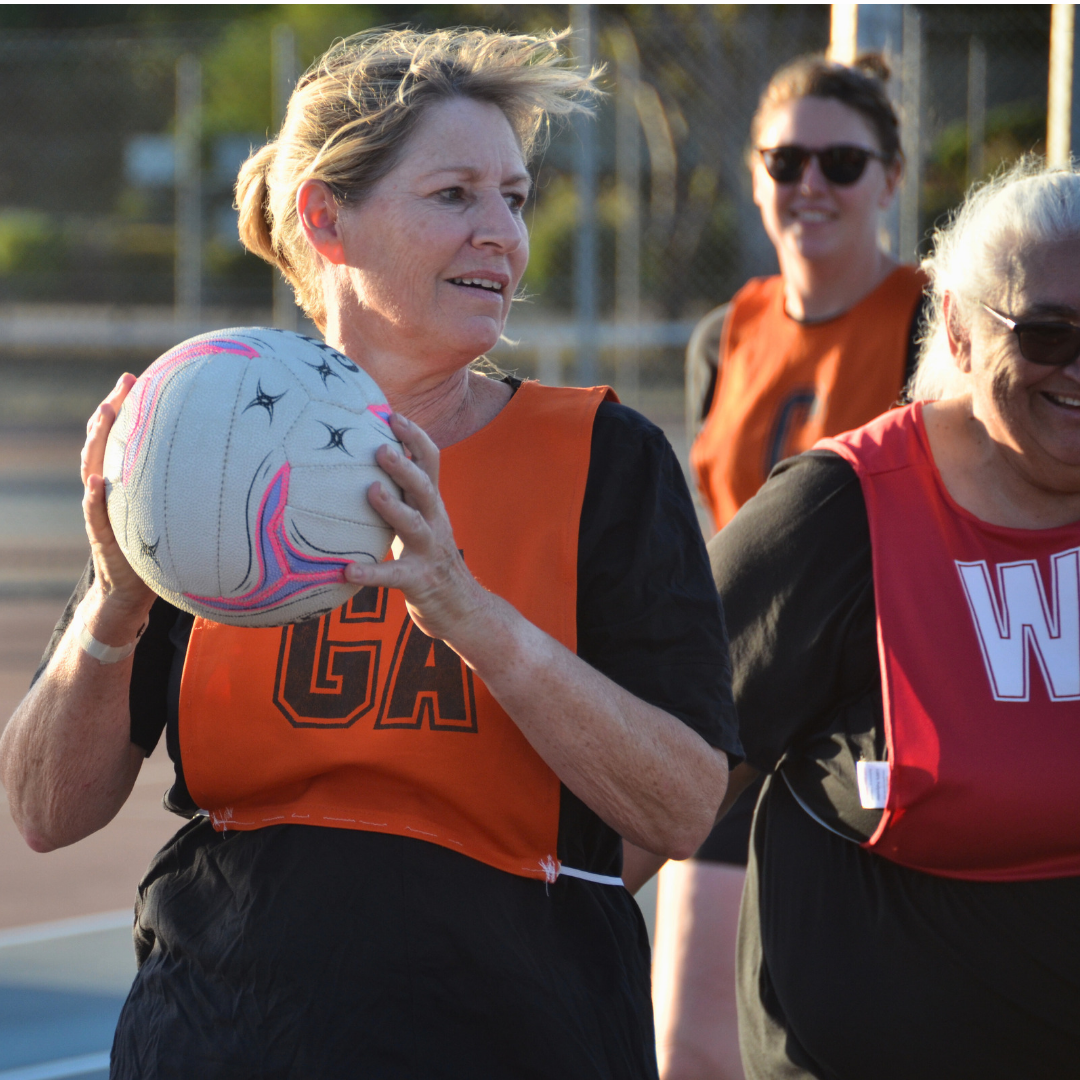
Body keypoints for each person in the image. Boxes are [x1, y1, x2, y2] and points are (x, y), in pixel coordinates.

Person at [0, 28, 740, 1080]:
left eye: (516, 198)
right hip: (218, 1034)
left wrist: (474, 617)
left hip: (516, 1035)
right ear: (325, 217)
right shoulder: (202, 439)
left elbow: (682, 803)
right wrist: (114, 605)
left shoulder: (603, 461)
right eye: (455, 196)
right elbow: (42, 814)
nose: (503, 235)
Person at [713, 159, 1080, 1078]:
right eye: (1046, 333)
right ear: (957, 327)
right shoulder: (839, 515)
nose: (1076, 368)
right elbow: (654, 763)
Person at [656, 54, 926, 1080]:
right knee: (687, 1048)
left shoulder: (932, 320)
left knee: (855, 1041)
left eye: (843, 162)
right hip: (740, 711)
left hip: (883, 721)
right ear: (755, 171)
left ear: (890, 179)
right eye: (786, 159)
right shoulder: (726, 333)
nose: (811, 183)